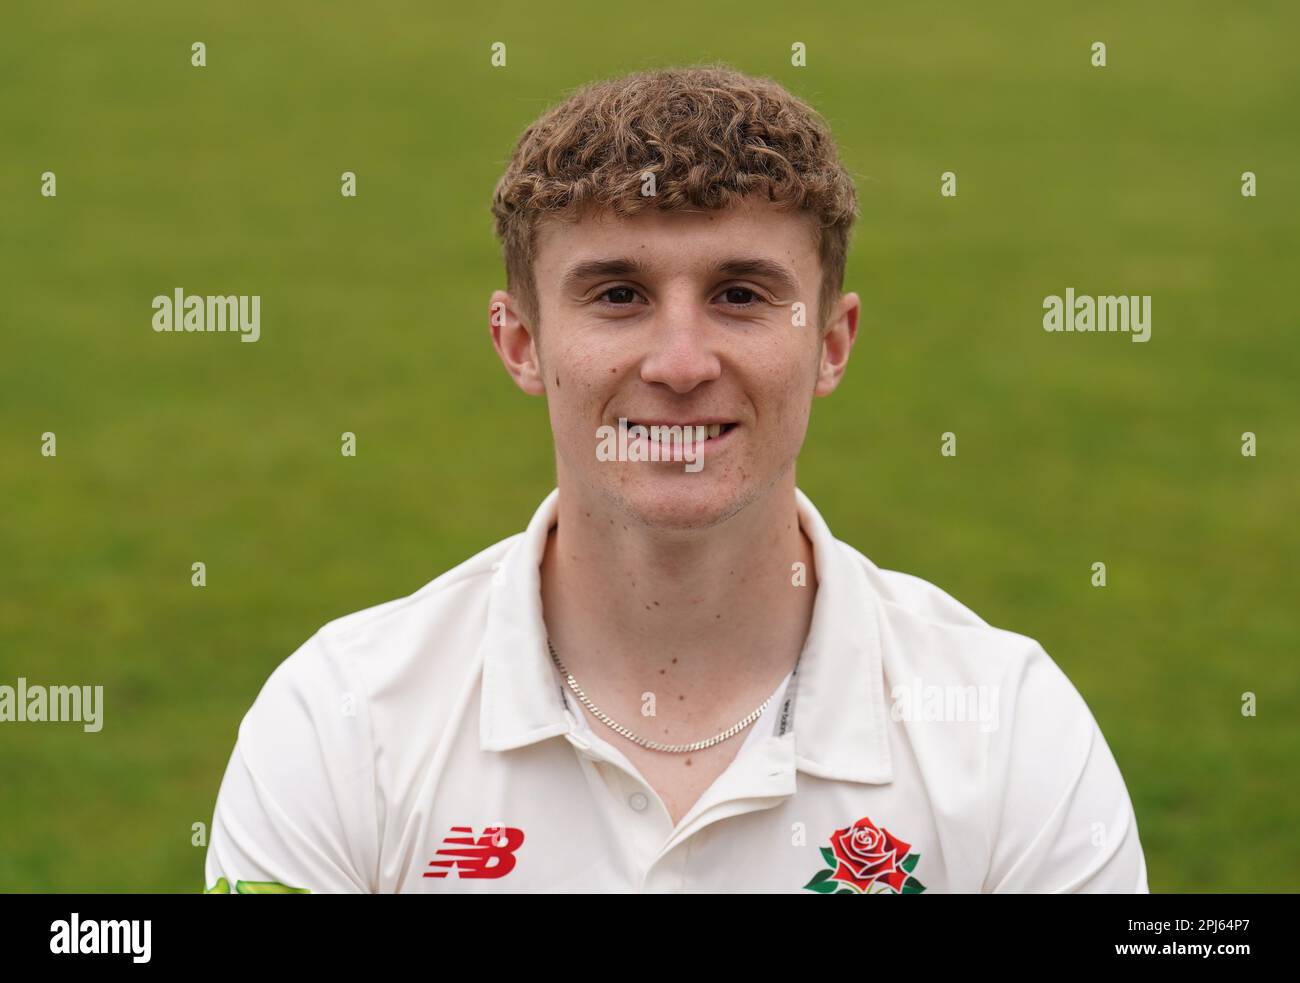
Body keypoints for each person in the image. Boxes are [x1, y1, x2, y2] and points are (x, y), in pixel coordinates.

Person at [203, 64, 1148, 894]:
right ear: (521, 341)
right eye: (618, 295)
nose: (682, 361)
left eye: (741, 295)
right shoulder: (341, 719)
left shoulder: (1011, 728)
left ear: (830, 342)